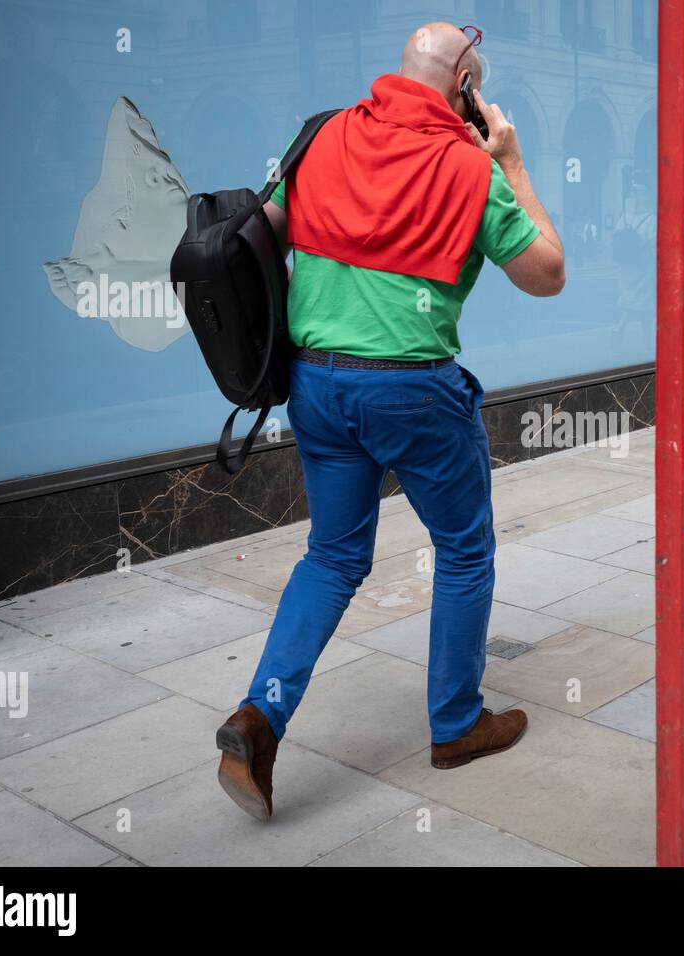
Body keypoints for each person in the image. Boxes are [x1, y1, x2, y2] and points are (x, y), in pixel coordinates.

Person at [214, 22, 565, 822]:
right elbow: (548, 273)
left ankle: (258, 717)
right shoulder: (470, 168)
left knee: (333, 557)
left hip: (318, 387)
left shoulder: (324, 133)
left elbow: (260, 235)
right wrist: (509, 160)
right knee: (465, 548)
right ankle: (456, 723)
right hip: (413, 392)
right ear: (466, 90)